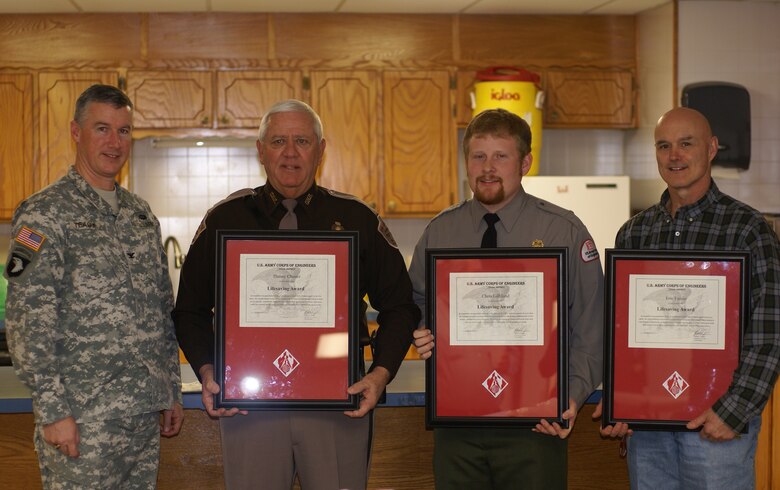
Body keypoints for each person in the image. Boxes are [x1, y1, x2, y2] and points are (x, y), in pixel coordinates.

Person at [173, 99, 420, 490]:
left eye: (302, 141)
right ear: (260, 151)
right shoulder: (225, 219)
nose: (290, 153)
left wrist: (379, 375)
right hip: (248, 406)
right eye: (278, 141)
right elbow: (190, 310)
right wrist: (207, 371)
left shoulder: (357, 218)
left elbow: (400, 307)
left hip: (338, 405)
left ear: (321, 150)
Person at [409, 108, 604, 489]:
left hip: (537, 422)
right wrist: (421, 328)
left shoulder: (562, 230)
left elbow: (592, 324)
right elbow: (414, 300)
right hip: (457, 421)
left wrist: (572, 394)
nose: (487, 168)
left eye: (501, 156)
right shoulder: (441, 230)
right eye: (478, 156)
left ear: (525, 162)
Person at [4, 84, 183, 489]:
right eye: (102, 128)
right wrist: (52, 411)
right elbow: (26, 320)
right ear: (76, 131)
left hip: (141, 415)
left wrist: (170, 389)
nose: (114, 142)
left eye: (123, 131)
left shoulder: (141, 215)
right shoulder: (44, 214)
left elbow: (160, 308)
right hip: (82, 418)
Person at [595, 107, 780, 489]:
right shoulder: (634, 233)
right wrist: (620, 401)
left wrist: (734, 411)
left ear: (711, 148)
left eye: (686, 143)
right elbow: (620, 330)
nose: (674, 155)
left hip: (716, 425)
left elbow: (770, 330)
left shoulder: (748, 229)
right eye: (664, 146)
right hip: (647, 430)